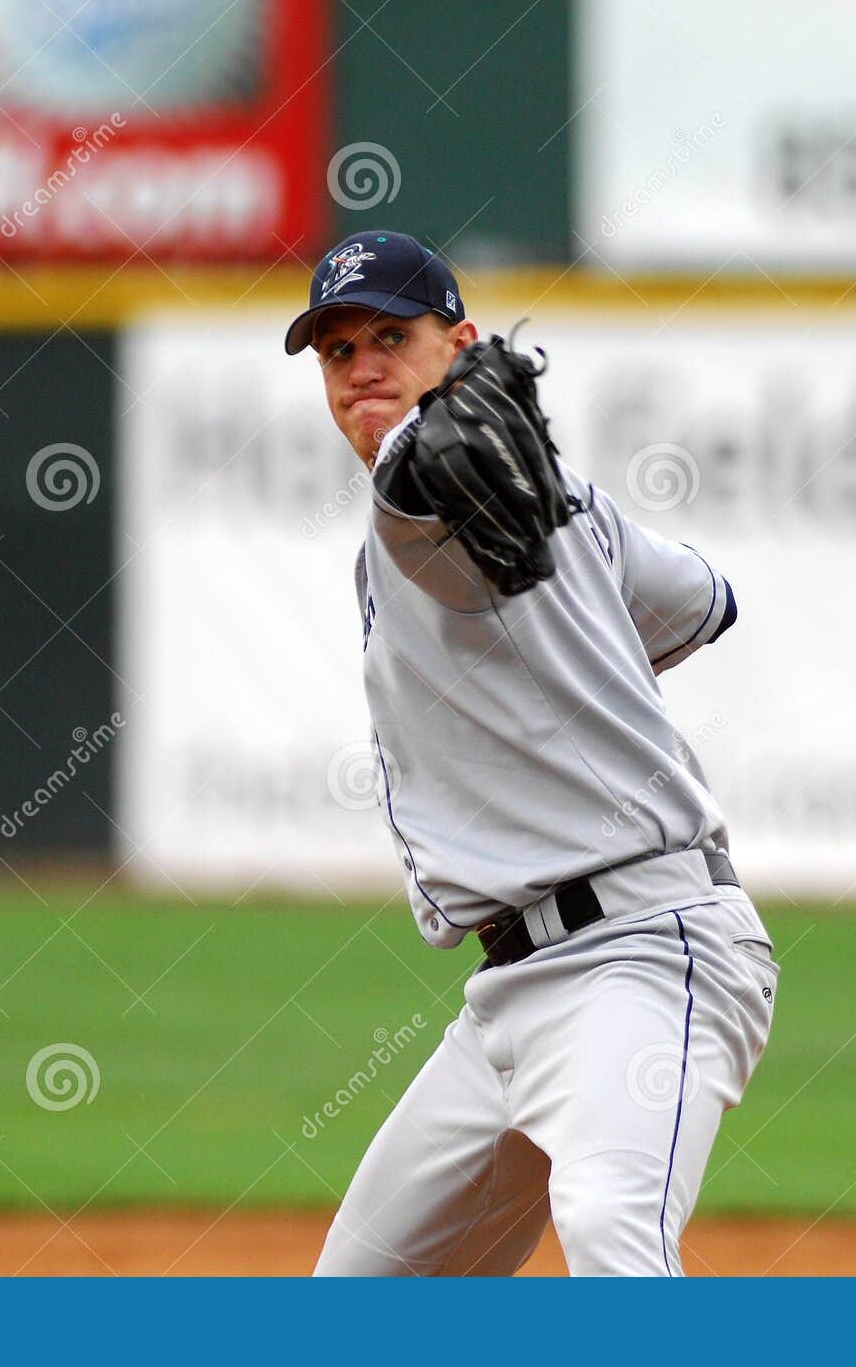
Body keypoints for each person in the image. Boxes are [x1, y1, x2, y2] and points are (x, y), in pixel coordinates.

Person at [285, 229, 776, 1276]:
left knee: (610, 1234)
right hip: (513, 991)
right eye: (335, 351)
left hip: (642, 952)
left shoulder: (422, 493)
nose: (361, 367)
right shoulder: (567, 502)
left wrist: (434, 476)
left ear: (460, 346)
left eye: (389, 335)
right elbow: (701, 600)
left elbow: (429, 498)